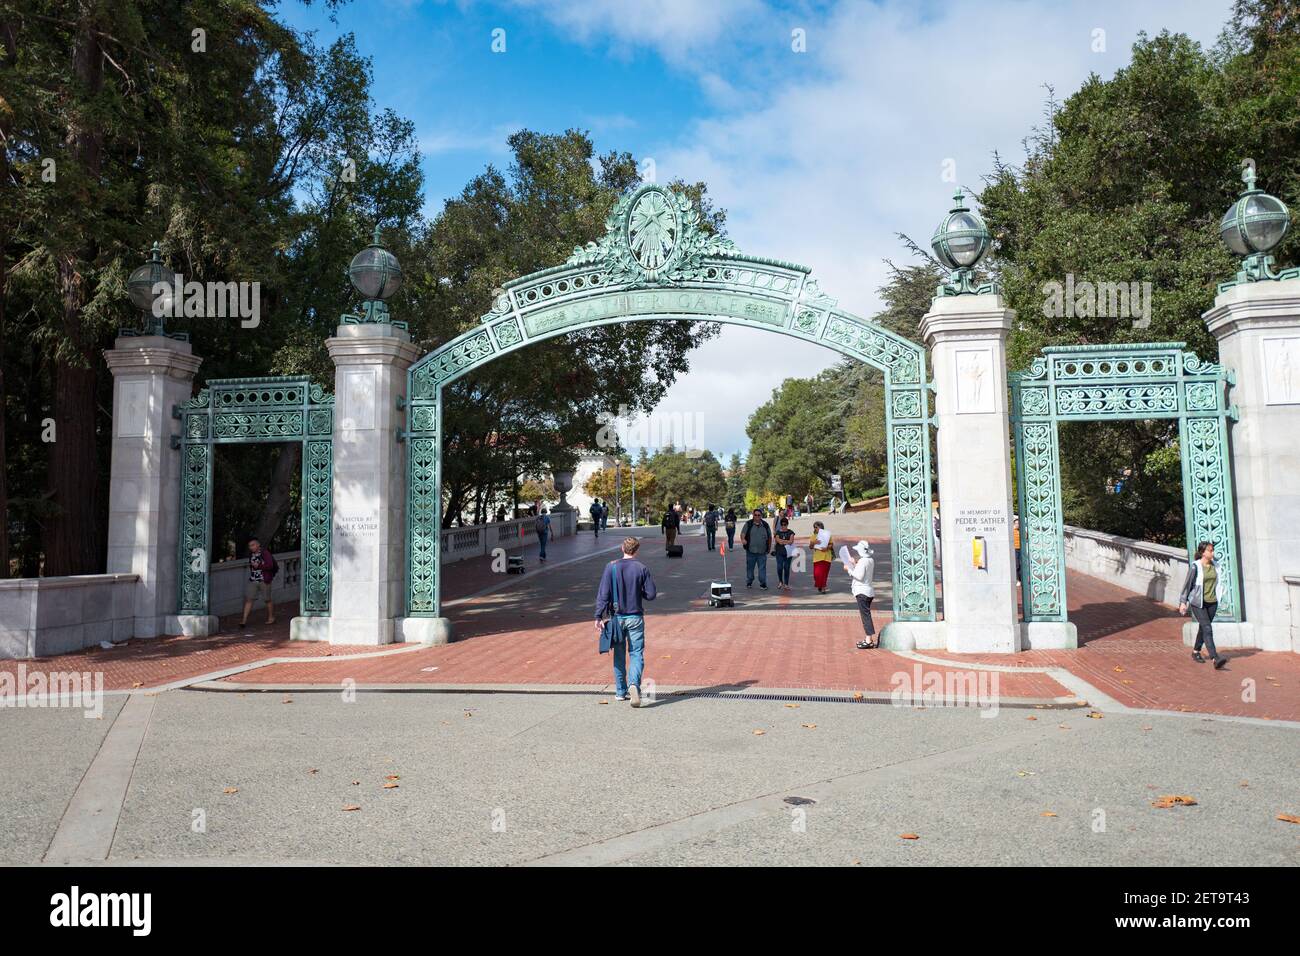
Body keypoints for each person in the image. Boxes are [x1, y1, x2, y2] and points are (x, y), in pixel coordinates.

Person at [594, 536, 659, 706]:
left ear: (622, 548)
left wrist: (598, 616)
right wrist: (640, 592)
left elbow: (603, 594)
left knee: (619, 654)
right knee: (636, 653)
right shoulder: (641, 568)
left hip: (617, 618)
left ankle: (620, 692)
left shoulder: (611, 567)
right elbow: (651, 594)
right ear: (636, 551)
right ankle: (634, 685)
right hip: (635, 617)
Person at [1179, 541, 1228, 669]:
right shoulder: (1195, 566)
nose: (1212, 552)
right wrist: (1183, 602)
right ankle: (1215, 658)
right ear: (1203, 552)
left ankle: (1196, 651)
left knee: (1204, 627)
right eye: (1210, 550)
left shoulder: (1216, 565)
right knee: (1207, 628)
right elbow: (1187, 585)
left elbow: (1219, 583)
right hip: (1198, 602)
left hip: (1212, 602)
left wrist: (1221, 595)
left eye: (1213, 550)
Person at [843, 540, 877, 648]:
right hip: (868, 591)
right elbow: (863, 571)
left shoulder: (863, 561)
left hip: (862, 591)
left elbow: (859, 576)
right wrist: (854, 563)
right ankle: (868, 638)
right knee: (866, 614)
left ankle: (869, 640)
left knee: (865, 616)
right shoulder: (870, 560)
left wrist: (849, 569)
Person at [239, 537, 278, 628]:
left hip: (264, 580)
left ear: (258, 545)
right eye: (250, 546)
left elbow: (270, 565)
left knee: (267, 599)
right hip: (253, 580)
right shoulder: (251, 555)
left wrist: (259, 566)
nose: (251, 547)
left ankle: (271, 617)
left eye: (253, 545)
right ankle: (243, 620)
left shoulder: (265, 553)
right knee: (249, 599)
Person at [741, 508, 771, 589]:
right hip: (751, 551)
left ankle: (763, 583)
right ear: (753, 515)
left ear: (761, 516)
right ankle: (749, 581)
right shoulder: (748, 524)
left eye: (759, 515)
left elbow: (769, 537)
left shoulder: (765, 525)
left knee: (762, 568)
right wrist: (743, 539)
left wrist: (769, 548)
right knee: (750, 568)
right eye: (755, 515)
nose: (757, 516)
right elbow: (743, 533)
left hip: (762, 552)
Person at [809, 520, 834, 593]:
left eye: (816, 527)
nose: (815, 528)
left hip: (826, 557)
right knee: (816, 575)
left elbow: (831, 544)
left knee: (824, 574)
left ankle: (823, 588)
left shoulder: (827, 535)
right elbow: (810, 547)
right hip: (817, 558)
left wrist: (827, 548)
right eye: (814, 527)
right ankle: (820, 585)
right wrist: (814, 543)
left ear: (821, 527)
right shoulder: (813, 536)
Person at [773, 516, 796, 591]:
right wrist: (786, 541)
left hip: (788, 553)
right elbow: (778, 541)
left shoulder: (791, 532)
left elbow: (791, 541)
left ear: (787, 524)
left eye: (785, 524)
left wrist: (783, 541)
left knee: (786, 568)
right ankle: (780, 581)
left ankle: (786, 584)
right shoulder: (778, 532)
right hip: (779, 552)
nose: (783, 526)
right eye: (782, 524)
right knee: (779, 567)